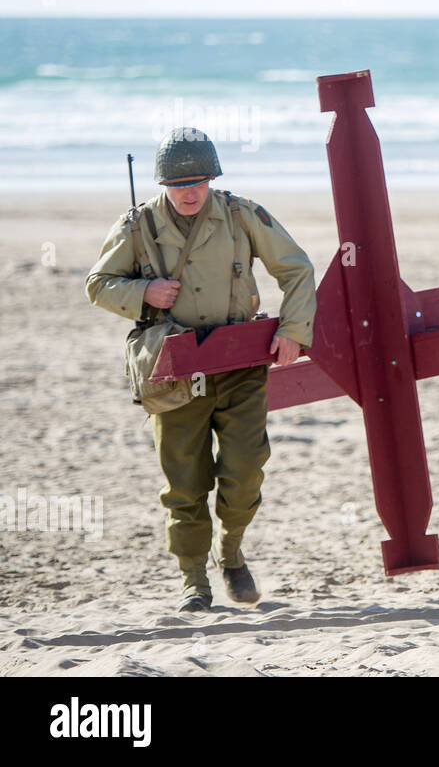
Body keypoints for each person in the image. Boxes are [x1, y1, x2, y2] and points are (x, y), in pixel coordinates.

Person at [86, 128, 316, 612]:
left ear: (212, 178)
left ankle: (230, 552)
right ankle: (194, 580)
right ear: (162, 184)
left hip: (238, 365)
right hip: (173, 371)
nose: (190, 192)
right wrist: (142, 294)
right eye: (179, 184)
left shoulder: (241, 214)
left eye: (199, 181)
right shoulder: (137, 226)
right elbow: (98, 284)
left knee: (245, 472)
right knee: (184, 484)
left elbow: (296, 268)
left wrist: (293, 330)